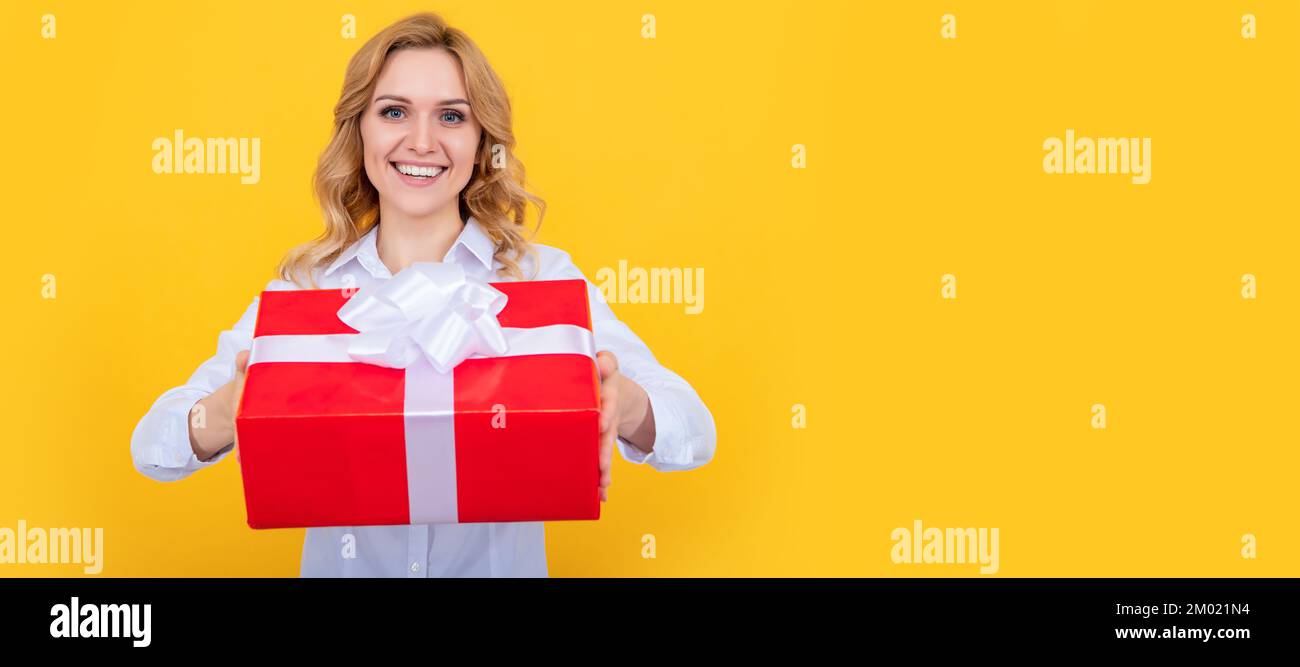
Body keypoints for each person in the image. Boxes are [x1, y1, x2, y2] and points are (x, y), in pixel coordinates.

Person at [130, 12, 716, 577]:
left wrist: (623, 402)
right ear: (358, 129)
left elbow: (695, 432)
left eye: (452, 117)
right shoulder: (308, 292)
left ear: (484, 138)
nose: (421, 141)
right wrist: (239, 402)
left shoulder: (543, 283)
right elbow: (152, 448)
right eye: (394, 112)